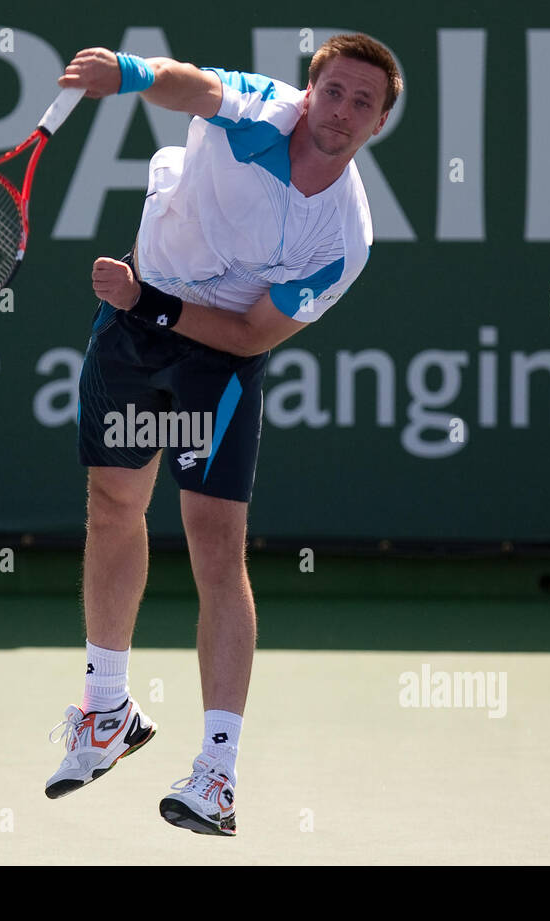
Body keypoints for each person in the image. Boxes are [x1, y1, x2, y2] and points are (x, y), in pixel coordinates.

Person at [44, 35, 401, 836]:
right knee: (113, 505)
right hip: (136, 332)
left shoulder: (342, 240)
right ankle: (107, 712)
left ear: (378, 123)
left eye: (362, 103)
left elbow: (249, 335)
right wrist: (128, 74)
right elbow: (189, 86)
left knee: (213, 545)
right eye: (333, 92)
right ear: (308, 94)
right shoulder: (259, 111)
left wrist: (151, 304)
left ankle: (217, 774)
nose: (342, 111)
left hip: (212, 357)